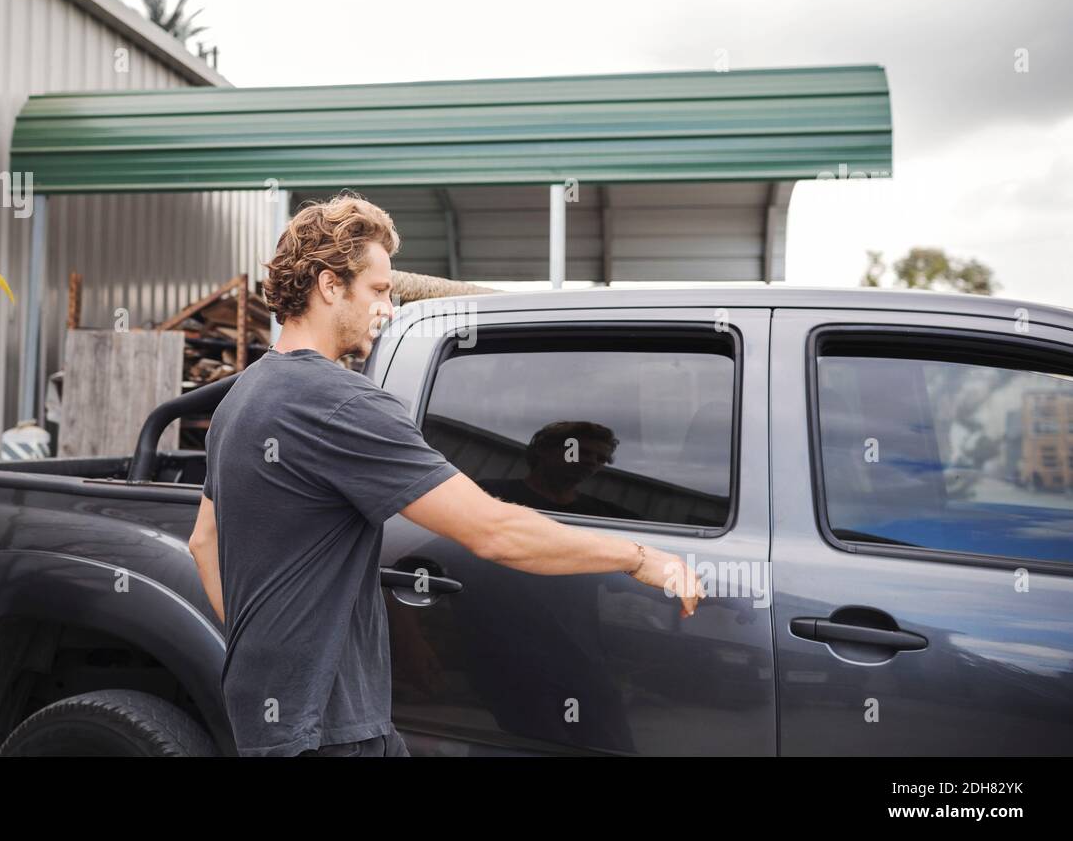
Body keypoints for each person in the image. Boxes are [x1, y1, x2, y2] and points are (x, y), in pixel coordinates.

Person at [188, 192, 705, 757]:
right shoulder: (339, 403)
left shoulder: (243, 396)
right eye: (378, 291)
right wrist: (639, 557)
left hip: (269, 712)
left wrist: (264, 651)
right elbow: (495, 532)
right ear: (330, 285)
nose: (387, 308)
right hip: (329, 728)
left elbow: (203, 542)